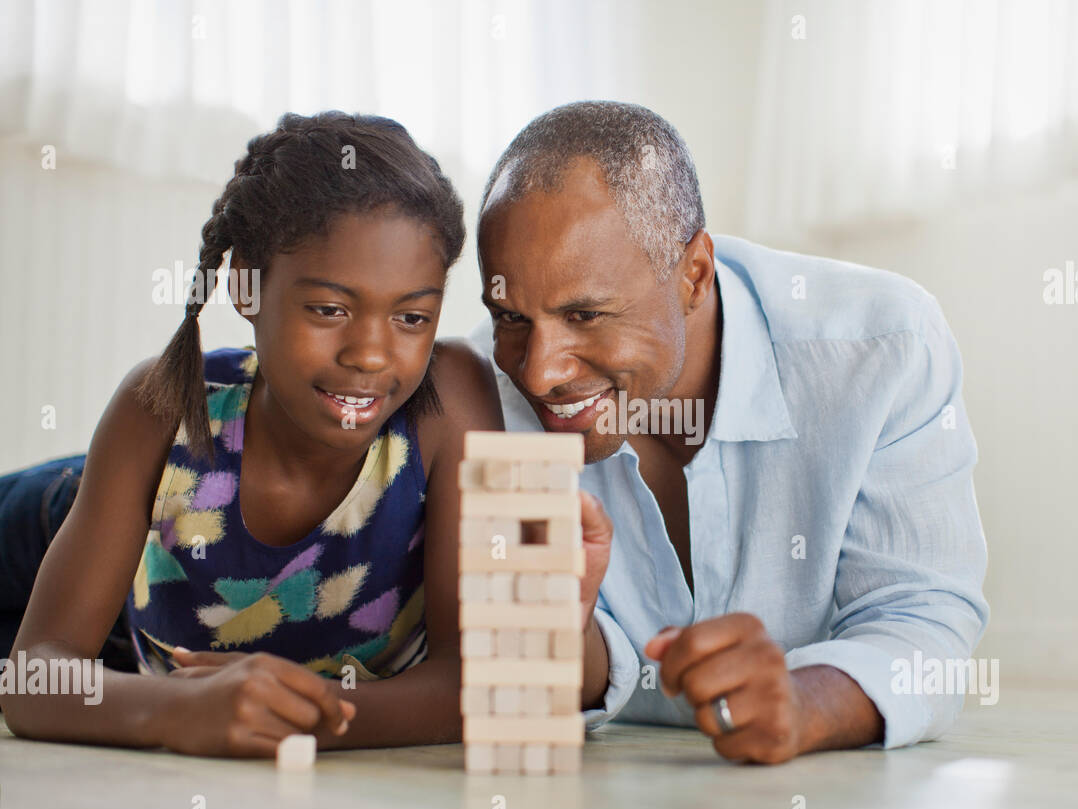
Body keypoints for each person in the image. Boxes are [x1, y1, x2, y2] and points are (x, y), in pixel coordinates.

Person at [2, 112, 611, 756]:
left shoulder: (446, 398)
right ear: (246, 285)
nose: (372, 355)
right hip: (79, 525)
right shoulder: (158, 408)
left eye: (412, 316)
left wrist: (302, 713)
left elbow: (475, 679)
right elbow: (35, 673)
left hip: (128, 650)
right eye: (329, 309)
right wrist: (177, 709)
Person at [471, 101, 991, 762]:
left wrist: (805, 704)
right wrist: (552, 636)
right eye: (510, 317)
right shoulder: (477, 390)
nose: (539, 372)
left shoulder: (881, 347)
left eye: (586, 314)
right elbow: (547, 660)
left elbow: (925, 623)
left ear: (693, 274)